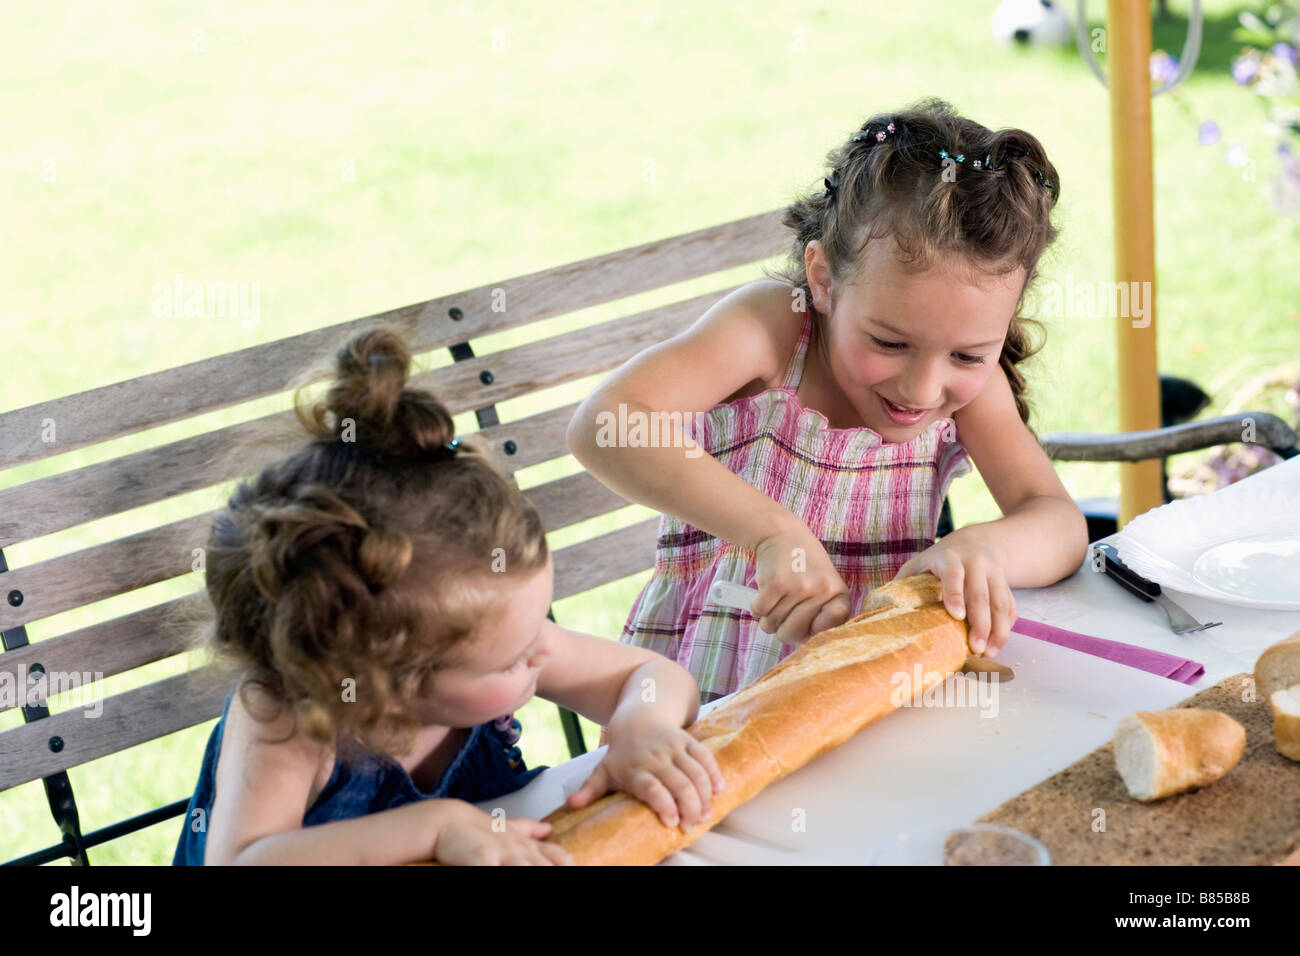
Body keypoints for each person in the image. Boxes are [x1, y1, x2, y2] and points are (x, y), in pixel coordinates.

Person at [567, 97, 1089, 705]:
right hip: (705, 701)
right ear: (822, 280)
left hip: (868, 693)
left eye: (969, 355)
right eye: (889, 341)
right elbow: (608, 423)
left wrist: (981, 546)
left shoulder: (969, 390)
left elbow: (1058, 521)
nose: (923, 389)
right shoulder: (775, 329)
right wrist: (770, 533)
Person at [173, 323, 724, 865]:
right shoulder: (286, 718)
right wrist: (438, 827)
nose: (542, 651)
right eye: (512, 656)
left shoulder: (503, 643)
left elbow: (650, 675)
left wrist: (641, 725)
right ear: (380, 683)